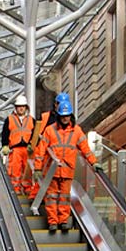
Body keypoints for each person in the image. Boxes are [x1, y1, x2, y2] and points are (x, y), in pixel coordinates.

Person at [34, 97, 102, 233]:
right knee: (52, 197)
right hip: (52, 170)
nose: (65, 119)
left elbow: (85, 149)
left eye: (67, 116)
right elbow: (40, 150)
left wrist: (93, 162)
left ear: (71, 116)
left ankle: (63, 221)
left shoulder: (77, 131)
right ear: (59, 116)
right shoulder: (49, 130)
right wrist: (37, 168)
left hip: (67, 170)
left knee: (64, 197)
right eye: (63, 116)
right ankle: (53, 222)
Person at [1, 94, 35, 196]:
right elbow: (5, 133)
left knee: (27, 170)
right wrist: (5, 145)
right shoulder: (9, 119)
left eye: (23, 106)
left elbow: (35, 134)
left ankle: (27, 188)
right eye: (19, 106)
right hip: (15, 149)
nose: (21, 108)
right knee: (14, 170)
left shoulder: (31, 120)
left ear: (26, 107)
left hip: (27, 149)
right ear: (16, 108)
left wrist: (32, 144)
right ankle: (15, 188)